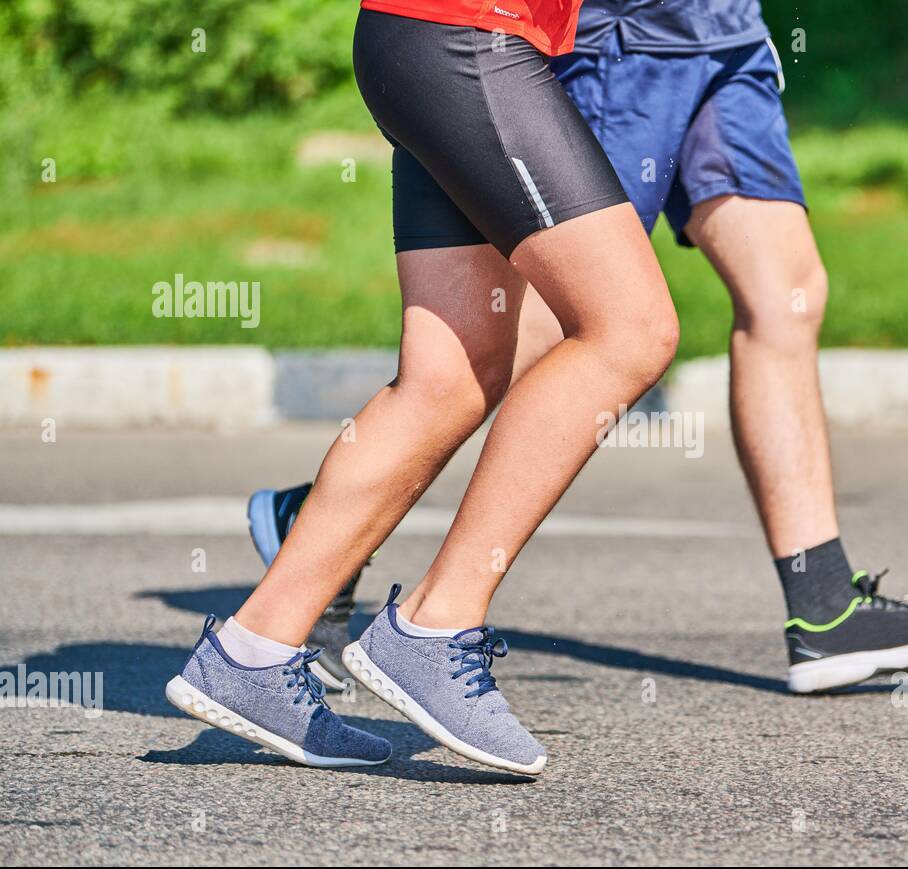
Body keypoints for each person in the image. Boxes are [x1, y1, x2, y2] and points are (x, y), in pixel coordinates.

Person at [246, 0, 908, 705]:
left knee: (787, 291)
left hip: (725, 33)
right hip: (624, 34)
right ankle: (322, 530)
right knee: (556, 326)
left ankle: (825, 605)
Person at [166, 0, 681, 775]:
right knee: (629, 331)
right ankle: (435, 627)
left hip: (430, 41)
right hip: (469, 37)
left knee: (452, 376)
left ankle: (254, 650)